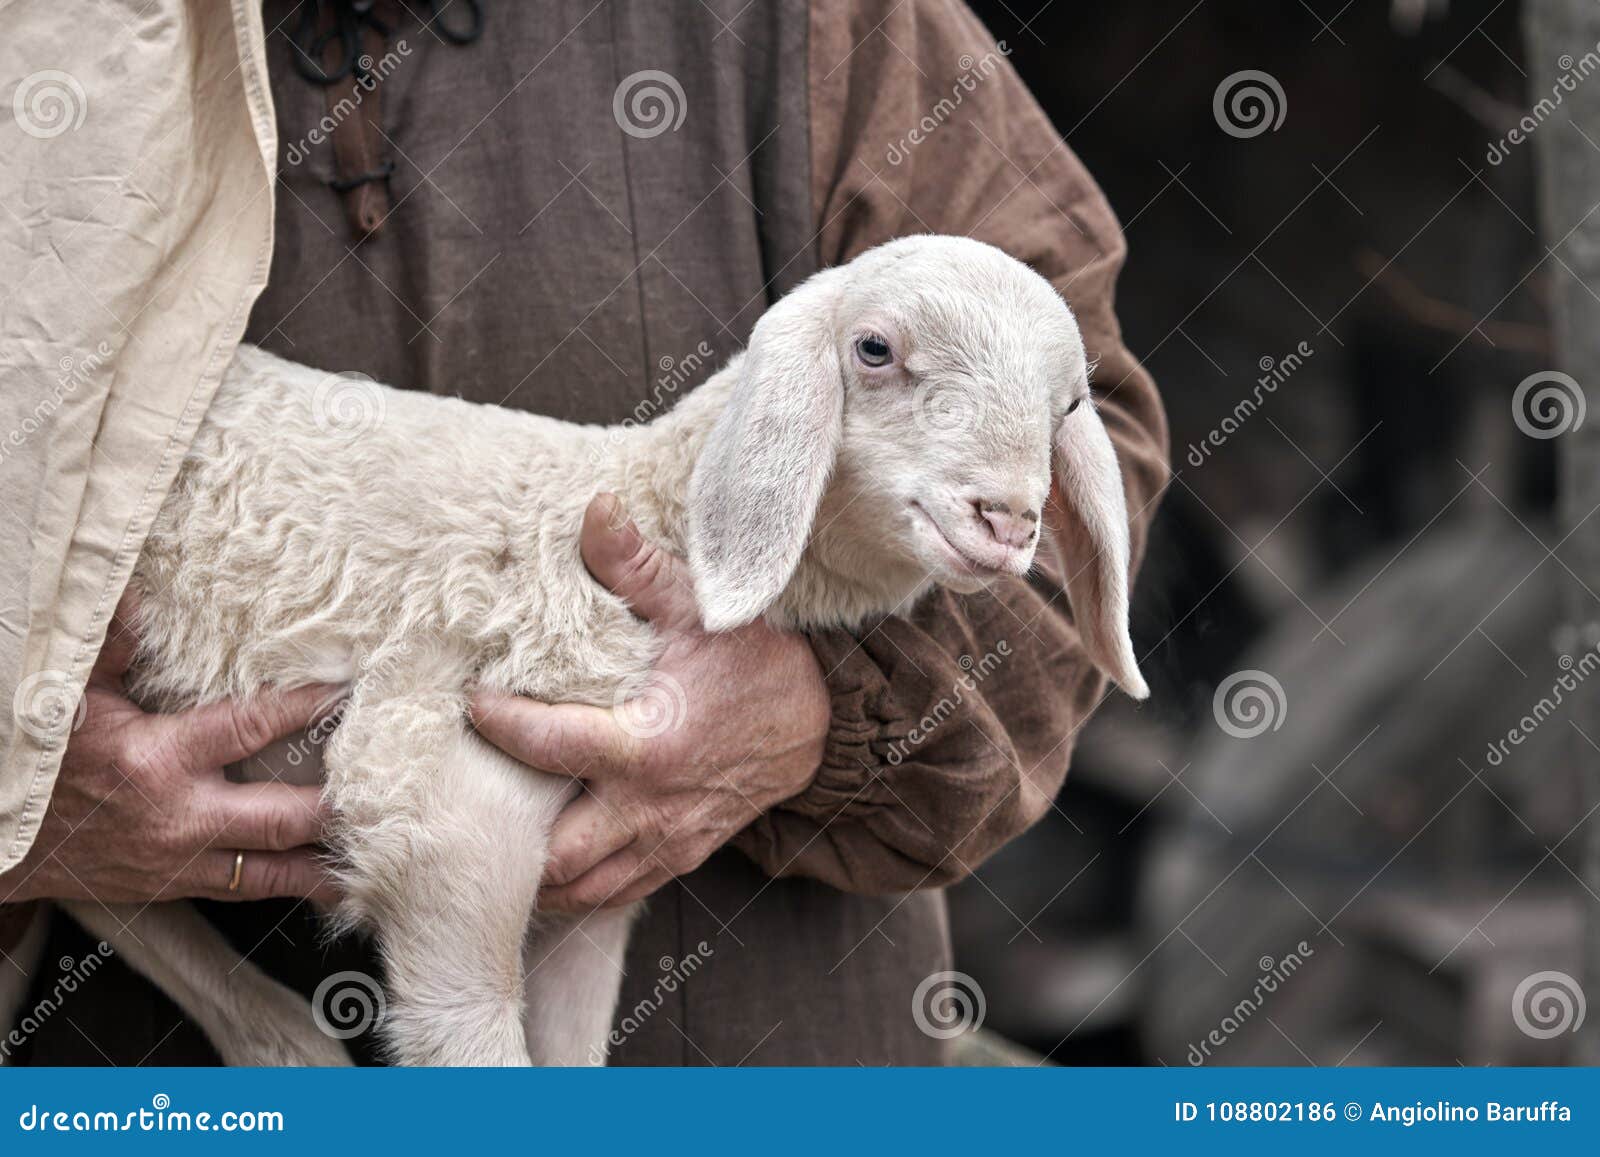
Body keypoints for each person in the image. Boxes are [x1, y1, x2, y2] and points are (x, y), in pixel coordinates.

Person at [0, 0, 1167, 1064]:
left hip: (758, 1059)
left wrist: (820, 704)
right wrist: (14, 795)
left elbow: (1068, 426)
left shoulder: (824, 23)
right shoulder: (56, 37)